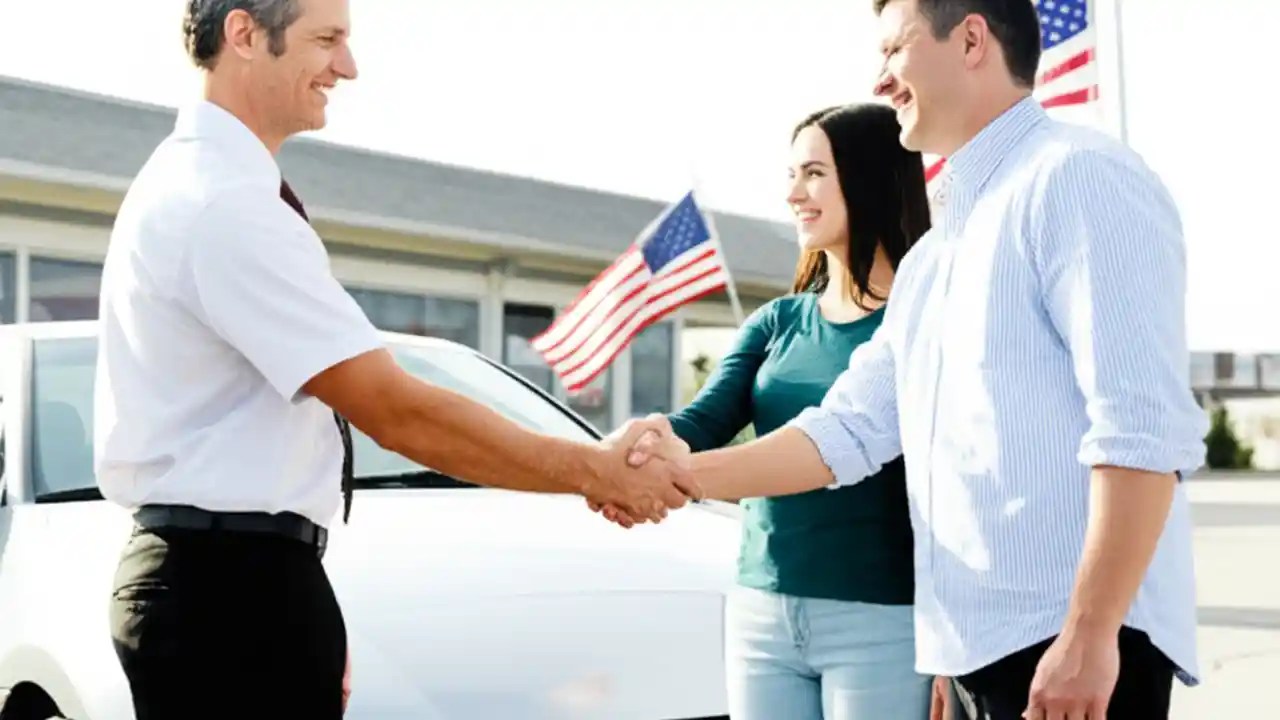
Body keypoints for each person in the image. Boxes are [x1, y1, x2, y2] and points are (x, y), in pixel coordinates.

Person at [604, 0, 1207, 718]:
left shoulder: (1078, 178)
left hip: (1074, 650)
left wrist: (1090, 631)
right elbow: (849, 429)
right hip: (988, 653)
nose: (881, 78)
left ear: (972, 38)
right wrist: (682, 475)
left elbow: (1142, 430)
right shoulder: (935, 257)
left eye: (894, 50)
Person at [94, 1, 696, 718]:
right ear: (245, 34)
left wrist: (299, 588)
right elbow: (397, 411)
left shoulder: (206, 185)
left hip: (239, 583)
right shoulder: (223, 204)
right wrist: (595, 470)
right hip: (228, 596)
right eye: (328, 39)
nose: (348, 66)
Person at [611, 103, 934, 718]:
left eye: (813, 173)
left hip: (883, 619)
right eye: (792, 174)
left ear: (867, 178)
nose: (793, 194)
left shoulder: (919, 321)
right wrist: (641, 444)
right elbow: (701, 423)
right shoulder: (779, 321)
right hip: (761, 613)